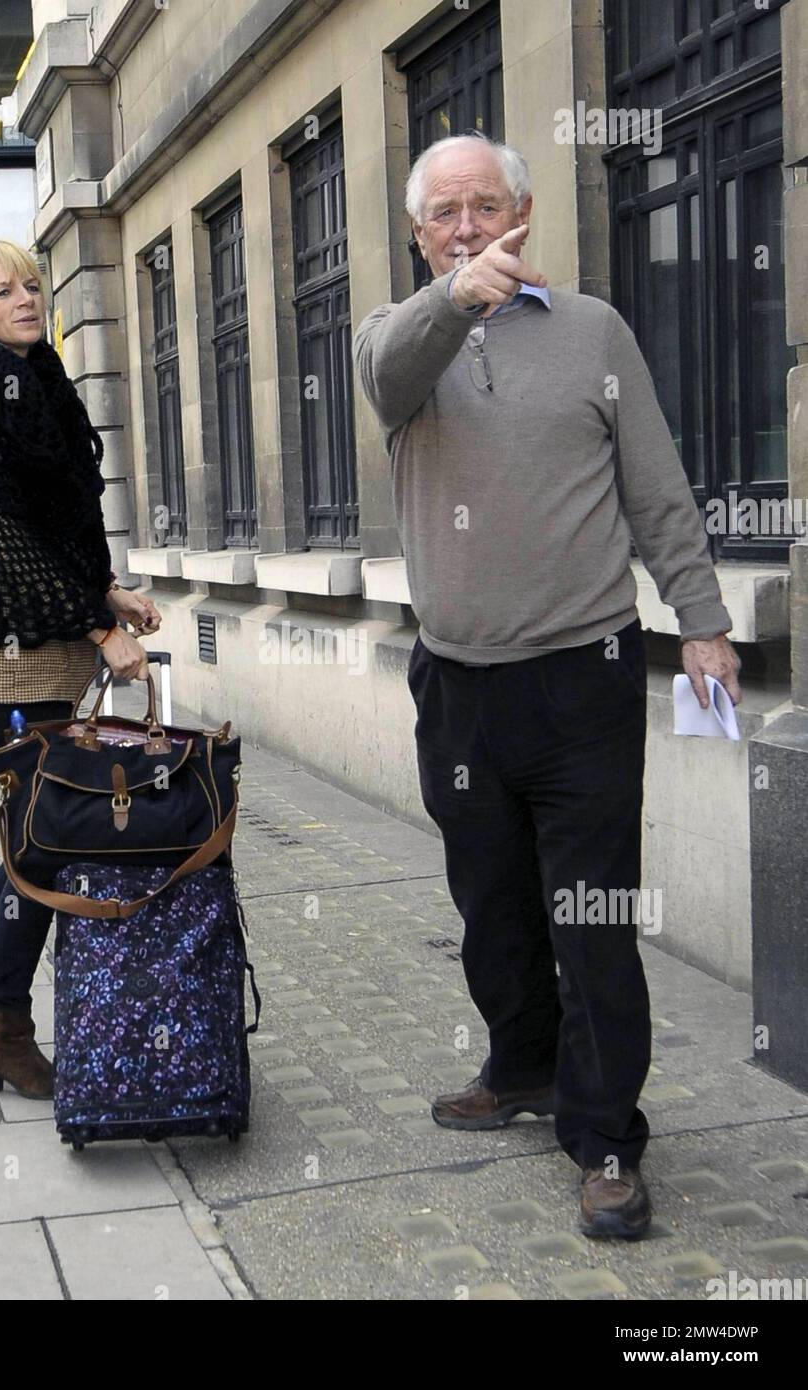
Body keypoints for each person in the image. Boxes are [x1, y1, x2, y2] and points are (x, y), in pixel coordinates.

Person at [353, 133, 742, 1240]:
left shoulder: (591, 332)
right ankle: (519, 1066)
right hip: (460, 688)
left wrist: (704, 623)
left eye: (485, 206)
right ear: (418, 233)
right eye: (444, 213)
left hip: (585, 679)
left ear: (523, 215)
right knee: (492, 912)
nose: (467, 225)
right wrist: (453, 302)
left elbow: (656, 490)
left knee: (592, 918)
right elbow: (383, 378)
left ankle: (607, 1135)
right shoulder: (398, 340)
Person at [0, 240, 162, 1100]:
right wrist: (96, 626)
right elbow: (1, 545)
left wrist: (108, 592)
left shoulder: (39, 384)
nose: (25, 299)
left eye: (32, 285)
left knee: (37, 834)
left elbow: (60, 524)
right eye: (1, 290)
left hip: (49, 653)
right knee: (48, 839)